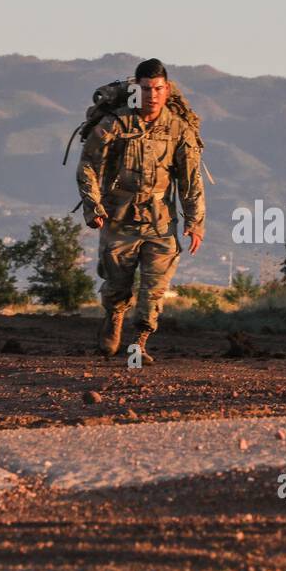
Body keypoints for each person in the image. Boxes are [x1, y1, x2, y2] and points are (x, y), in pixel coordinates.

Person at [75, 58, 204, 364]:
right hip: (118, 217)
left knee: (155, 287)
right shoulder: (116, 124)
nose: (152, 95)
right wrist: (93, 207)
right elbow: (88, 166)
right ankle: (114, 318)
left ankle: (140, 342)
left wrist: (195, 221)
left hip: (160, 219)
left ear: (167, 88)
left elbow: (190, 178)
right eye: (146, 89)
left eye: (158, 88)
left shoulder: (178, 129)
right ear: (136, 89)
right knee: (117, 283)